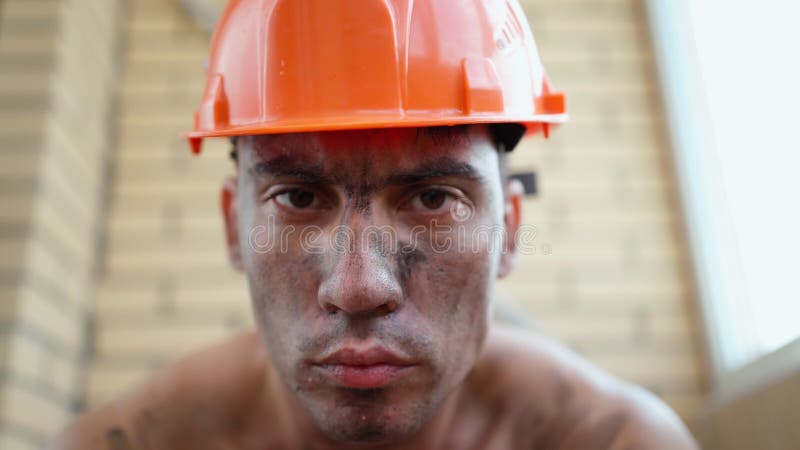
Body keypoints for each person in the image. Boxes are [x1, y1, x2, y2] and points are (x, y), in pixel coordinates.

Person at [49, 1, 699, 449]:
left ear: (511, 230)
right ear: (231, 228)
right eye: (298, 198)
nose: (360, 287)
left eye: (434, 198)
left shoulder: (616, 442)